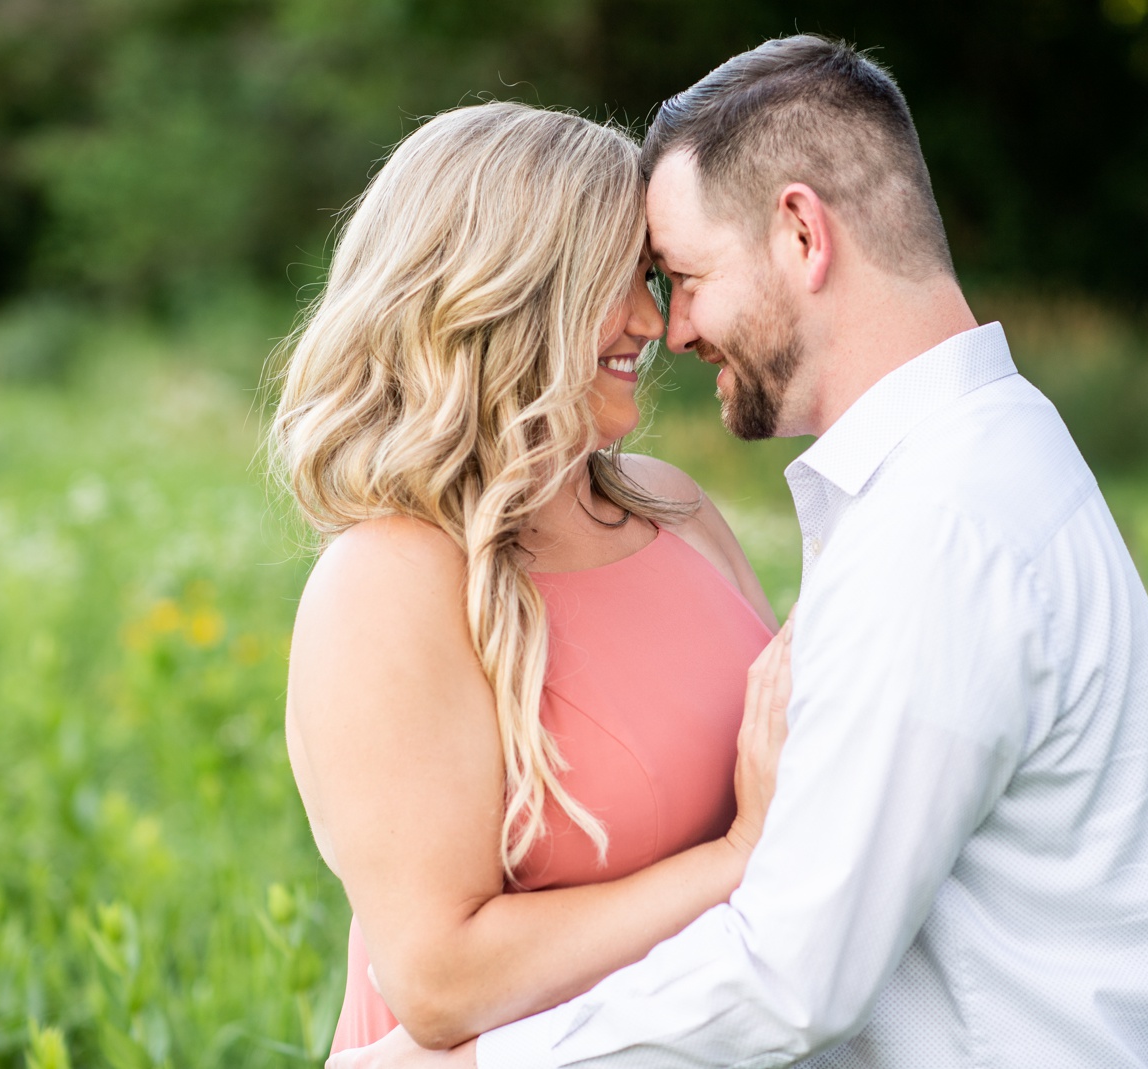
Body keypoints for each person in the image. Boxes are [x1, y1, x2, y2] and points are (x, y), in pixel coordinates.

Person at [349, 34, 1148, 1069]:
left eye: (682, 275)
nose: (672, 327)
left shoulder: (934, 529)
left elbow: (788, 980)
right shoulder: (989, 457)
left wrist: (466, 1065)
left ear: (800, 235)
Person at [271, 101, 796, 1060]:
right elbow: (439, 979)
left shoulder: (674, 508)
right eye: (613, 281)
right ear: (502, 291)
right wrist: (735, 864)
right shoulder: (391, 579)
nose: (658, 322)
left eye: (651, 277)